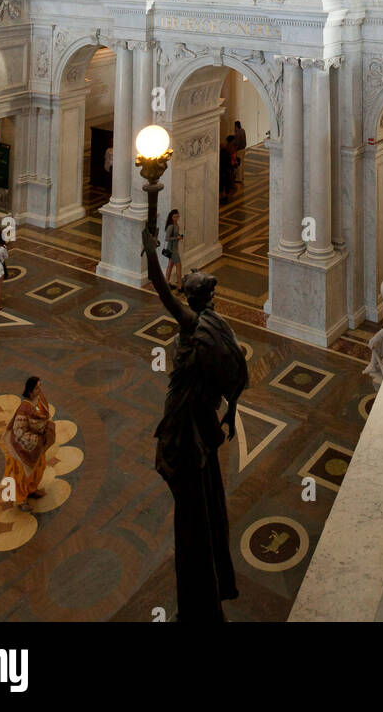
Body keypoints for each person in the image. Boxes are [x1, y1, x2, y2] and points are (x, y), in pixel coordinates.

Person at [140, 234, 248, 623]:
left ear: (191, 298)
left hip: (186, 425)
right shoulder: (214, 323)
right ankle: (208, 594)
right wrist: (231, 408)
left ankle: (201, 600)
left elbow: (159, 288)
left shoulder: (194, 322)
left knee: (194, 515)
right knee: (200, 507)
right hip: (197, 419)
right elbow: (235, 371)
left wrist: (150, 246)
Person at [2, 376, 55, 513]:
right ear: (30, 391)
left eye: (40, 386)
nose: (40, 389)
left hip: (36, 446)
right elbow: (18, 431)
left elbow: (43, 417)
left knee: (38, 468)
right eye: (37, 387)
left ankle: (32, 490)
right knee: (22, 475)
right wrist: (36, 440)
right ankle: (21, 500)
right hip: (23, 448)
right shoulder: (23, 409)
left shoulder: (40, 399)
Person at [163, 208, 184, 290]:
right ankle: (180, 286)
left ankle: (167, 282)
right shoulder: (171, 226)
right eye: (175, 217)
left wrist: (178, 236)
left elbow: (174, 235)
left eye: (177, 216)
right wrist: (177, 238)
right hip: (172, 249)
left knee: (170, 266)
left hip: (174, 248)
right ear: (171, 217)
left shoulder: (176, 225)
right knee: (179, 266)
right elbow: (167, 238)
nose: (176, 218)